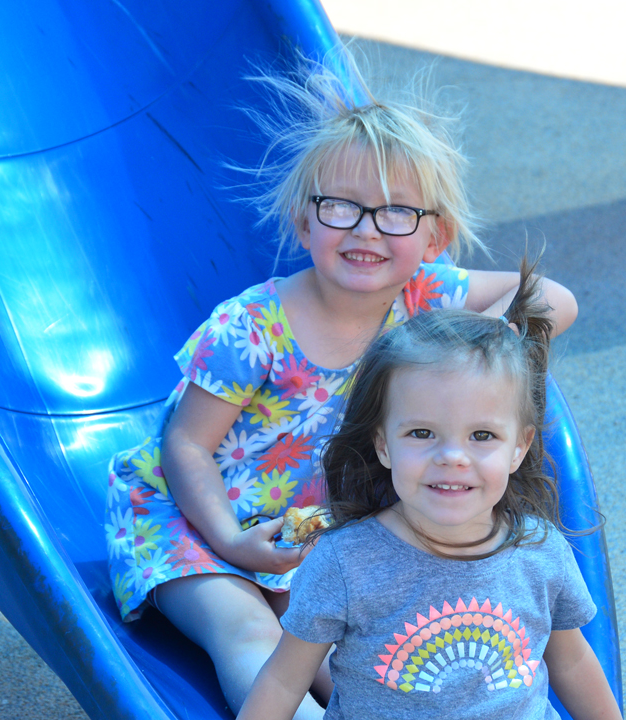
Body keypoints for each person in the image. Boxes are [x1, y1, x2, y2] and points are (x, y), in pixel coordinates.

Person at [104, 56, 579, 718]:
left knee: (338, 641)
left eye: (395, 214)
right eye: (341, 207)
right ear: (305, 222)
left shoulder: (427, 297)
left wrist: (485, 347)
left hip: (315, 526)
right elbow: (184, 446)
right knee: (250, 633)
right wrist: (232, 541)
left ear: (434, 236)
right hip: (191, 518)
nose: (365, 229)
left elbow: (551, 297)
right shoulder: (252, 328)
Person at [237, 266, 621, 720]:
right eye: (422, 432)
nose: (452, 457)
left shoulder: (538, 552)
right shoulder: (346, 563)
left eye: (482, 436)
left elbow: (572, 661)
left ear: (520, 448)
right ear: (383, 444)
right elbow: (284, 679)